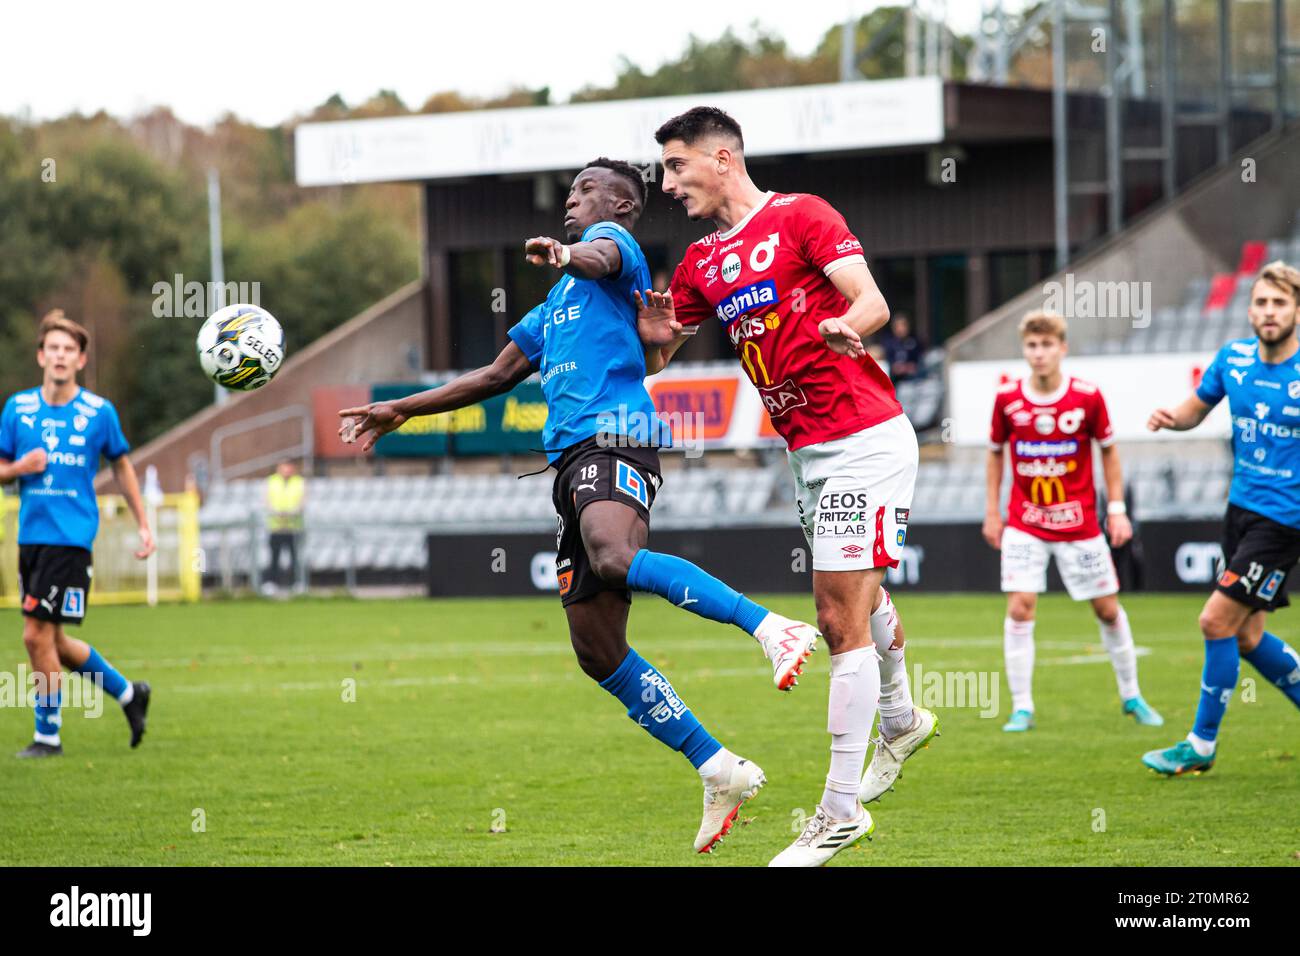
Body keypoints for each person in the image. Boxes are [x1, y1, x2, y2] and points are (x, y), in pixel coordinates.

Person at [338, 158, 819, 854]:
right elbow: (497, 374)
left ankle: (770, 627)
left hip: (616, 443)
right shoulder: (553, 305)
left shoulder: (615, 253)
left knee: (614, 554)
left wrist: (571, 251)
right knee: (597, 651)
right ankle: (717, 767)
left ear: (622, 206)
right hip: (570, 463)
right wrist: (401, 410)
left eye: (587, 191)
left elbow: (595, 257)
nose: (573, 199)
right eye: (570, 193)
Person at [648, 107, 937, 866]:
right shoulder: (700, 264)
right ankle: (901, 719)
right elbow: (653, 352)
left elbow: (868, 299)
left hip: (862, 437)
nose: (669, 185)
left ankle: (837, 813)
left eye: (678, 167)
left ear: (721, 156)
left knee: (836, 617)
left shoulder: (801, 216)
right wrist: (589, 276)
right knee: (861, 600)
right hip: (805, 451)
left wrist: (852, 325)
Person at [1142, 260, 1300, 775]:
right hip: (1240, 513)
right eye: (1261, 302)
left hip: (1283, 522)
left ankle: (1200, 745)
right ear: (1250, 310)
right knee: (1248, 636)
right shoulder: (1233, 360)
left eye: (1279, 303)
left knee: (1215, 620)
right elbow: (1197, 408)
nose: (1269, 312)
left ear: (1296, 310)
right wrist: (1172, 418)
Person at [983, 310, 1162, 733]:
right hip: (1025, 521)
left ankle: (1132, 695)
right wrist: (992, 511)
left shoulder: (1087, 396)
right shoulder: (1008, 399)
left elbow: (1109, 451)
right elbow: (994, 454)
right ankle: (1022, 706)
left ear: (1062, 348)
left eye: (1047, 345)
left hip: (1079, 523)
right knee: (1020, 608)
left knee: (1106, 609)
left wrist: (1116, 509)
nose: (1039, 353)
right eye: (1032, 345)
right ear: (1024, 349)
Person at [0, 310, 154, 758]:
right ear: (41, 356)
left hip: (71, 539)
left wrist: (143, 522)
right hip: (31, 538)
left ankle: (48, 737)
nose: (61, 356)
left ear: (81, 360)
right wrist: (17, 469)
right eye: (54, 348)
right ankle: (130, 694)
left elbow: (121, 465)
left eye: (70, 349)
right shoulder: (18, 408)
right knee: (55, 642)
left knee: (34, 636)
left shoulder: (98, 412)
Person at [265, 459, 305, 593]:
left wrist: (292, 513)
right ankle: (271, 583)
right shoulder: (271, 481)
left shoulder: (299, 482)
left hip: (293, 527)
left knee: (295, 557)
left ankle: (297, 583)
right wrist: (277, 513)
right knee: (274, 557)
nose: (286, 470)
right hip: (276, 527)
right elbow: (267, 501)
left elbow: (302, 502)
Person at [882, 314, 924, 382]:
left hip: (914, 379)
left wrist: (909, 367)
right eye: (898, 326)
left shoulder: (915, 342)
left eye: (903, 325)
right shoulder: (889, 344)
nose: (901, 329)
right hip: (894, 379)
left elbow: (919, 361)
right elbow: (887, 362)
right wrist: (895, 367)